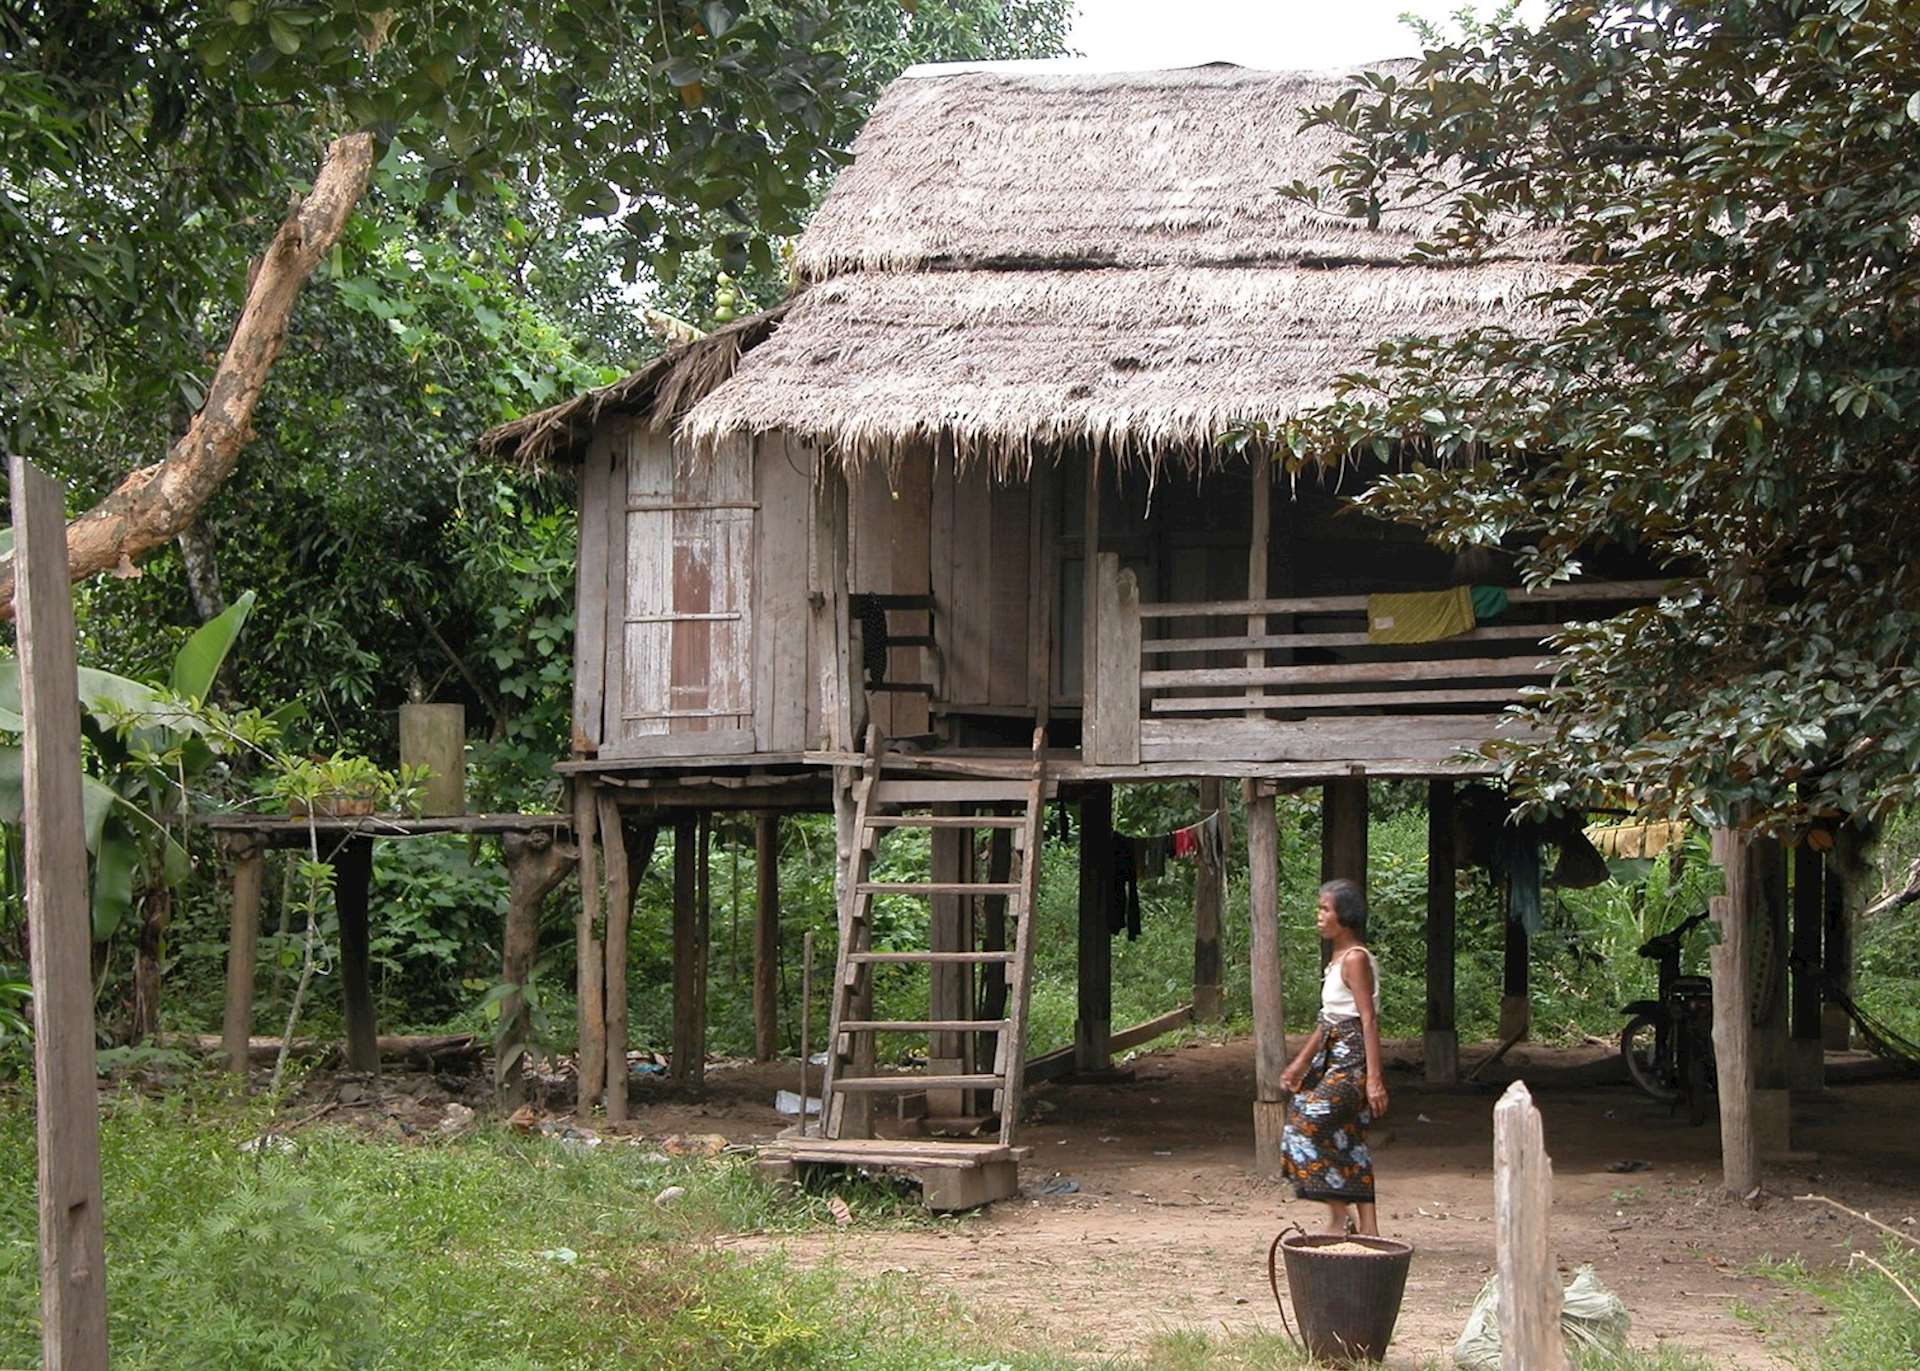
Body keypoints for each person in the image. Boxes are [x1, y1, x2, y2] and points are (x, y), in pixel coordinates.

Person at [1278, 878, 1389, 1235]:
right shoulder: (1337, 959)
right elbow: (1327, 1021)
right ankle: (1368, 1229)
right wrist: (1300, 1063)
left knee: (1302, 1125)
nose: (1319, 915)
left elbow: (1367, 1019)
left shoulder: (1355, 959)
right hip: (1332, 1055)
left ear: (1345, 915)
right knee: (1350, 1140)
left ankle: (1340, 1218)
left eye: (1325, 909)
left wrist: (1373, 1079)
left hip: (1351, 1061)